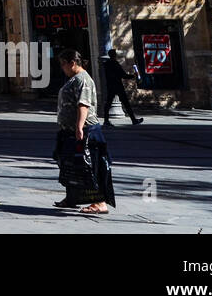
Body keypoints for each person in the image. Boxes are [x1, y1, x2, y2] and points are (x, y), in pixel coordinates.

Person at [51, 49, 115, 215]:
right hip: (70, 131)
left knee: (90, 167)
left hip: (86, 131)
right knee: (72, 167)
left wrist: (79, 127)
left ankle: (99, 203)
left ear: (72, 63)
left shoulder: (83, 80)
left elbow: (83, 105)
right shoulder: (74, 79)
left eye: (63, 64)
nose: (62, 68)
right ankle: (73, 198)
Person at [99, 49, 143, 126]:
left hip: (110, 86)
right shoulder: (115, 63)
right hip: (117, 86)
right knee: (126, 103)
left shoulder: (106, 64)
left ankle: (106, 121)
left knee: (108, 103)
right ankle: (133, 120)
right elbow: (123, 75)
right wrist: (133, 76)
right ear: (114, 55)